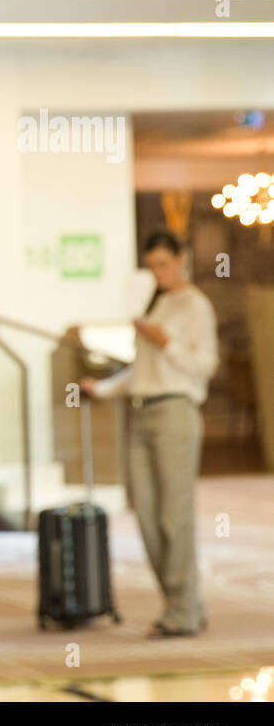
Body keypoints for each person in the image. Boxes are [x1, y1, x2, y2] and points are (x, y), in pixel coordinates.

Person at [80, 230, 218, 637]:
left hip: (175, 414)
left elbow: (204, 366)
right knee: (145, 516)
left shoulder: (195, 304)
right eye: (151, 265)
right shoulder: (152, 305)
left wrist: (167, 342)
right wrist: (101, 389)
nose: (158, 272)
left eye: (164, 263)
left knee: (174, 519)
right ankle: (187, 603)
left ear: (181, 259)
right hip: (140, 417)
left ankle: (181, 612)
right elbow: (141, 372)